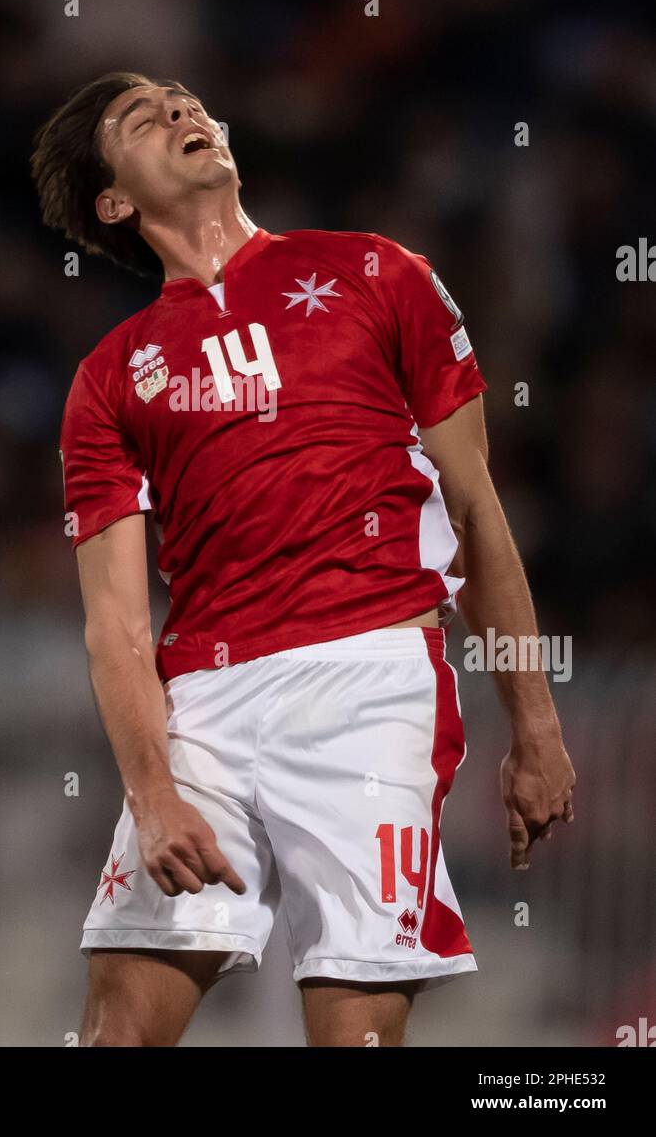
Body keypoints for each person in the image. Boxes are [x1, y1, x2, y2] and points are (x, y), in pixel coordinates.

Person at [31, 72, 576, 1048]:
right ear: (112, 200)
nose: (180, 111)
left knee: (353, 1036)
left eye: (182, 98)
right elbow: (114, 624)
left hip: (369, 681)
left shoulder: (380, 275)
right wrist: (153, 796)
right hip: (201, 699)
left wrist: (531, 722)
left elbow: (474, 509)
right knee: (116, 1032)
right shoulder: (109, 379)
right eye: (141, 118)